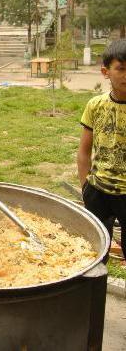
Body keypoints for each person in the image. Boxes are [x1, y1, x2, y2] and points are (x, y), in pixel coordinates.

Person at [78, 39, 126, 265]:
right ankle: (94, 296)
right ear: (106, 72)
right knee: (96, 252)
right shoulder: (95, 105)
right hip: (98, 191)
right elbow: (84, 151)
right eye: (121, 69)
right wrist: (85, 186)